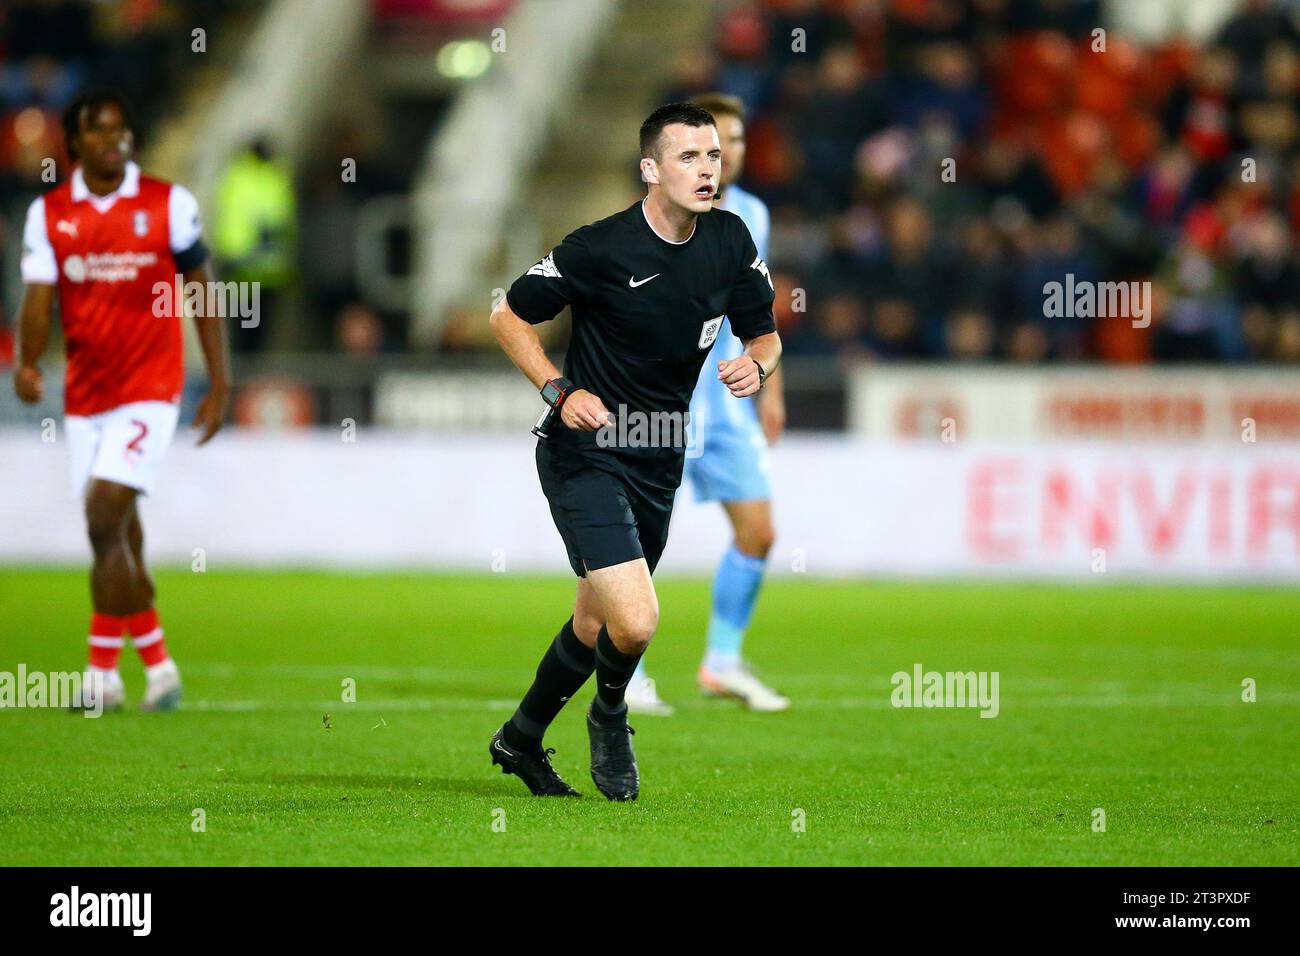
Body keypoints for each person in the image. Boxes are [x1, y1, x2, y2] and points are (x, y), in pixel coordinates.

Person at [487, 103, 780, 799]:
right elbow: (508, 314)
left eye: (712, 156)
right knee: (638, 618)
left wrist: (758, 367)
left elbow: (763, 334)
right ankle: (611, 714)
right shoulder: (601, 247)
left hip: (660, 456)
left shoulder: (732, 241)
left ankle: (520, 741)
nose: (707, 169)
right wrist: (559, 391)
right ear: (650, 169)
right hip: (584, 451)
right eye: (689, 157)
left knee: (595, 622)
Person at [14, 90, 231, 711]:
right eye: (100, 132)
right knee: (117, 534)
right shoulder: (49, 214)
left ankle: (99, 677)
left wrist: (218, 381)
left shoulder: (168, 203)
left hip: (149, 388)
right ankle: (159, 667)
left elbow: (200, 286)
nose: (114, 141)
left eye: (122, 131)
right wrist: (28, 363)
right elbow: (37, 299)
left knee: (103, 515)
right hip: (86, 395)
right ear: (75, 143)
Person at [626, 92, 789, 716]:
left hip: (724, 407)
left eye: (736, 143)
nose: (725, 157)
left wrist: (770, 389)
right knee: (636, 544)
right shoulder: (651, 220)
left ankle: (721, 662)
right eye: (712, 146)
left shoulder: (752, 215)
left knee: (759, 532)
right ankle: (625, 672)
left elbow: (761, 315)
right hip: (660, 405)